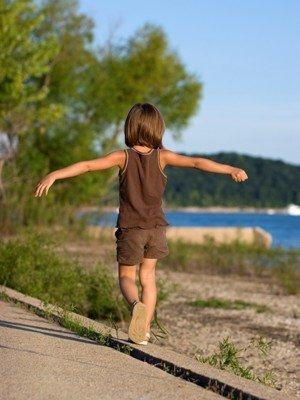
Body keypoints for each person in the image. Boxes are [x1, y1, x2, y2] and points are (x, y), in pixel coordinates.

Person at [34, 102, 248, 345]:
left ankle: (136, 306)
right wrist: (230, 168)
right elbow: (197, 163)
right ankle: (143, 332)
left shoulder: (122, 157)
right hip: (156, 229)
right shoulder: (163, 157)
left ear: (130, 128)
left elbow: (87, 166)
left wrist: (54, 175)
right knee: (148, 277)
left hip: (131, 229)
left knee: (126, 276)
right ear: (158, 129)